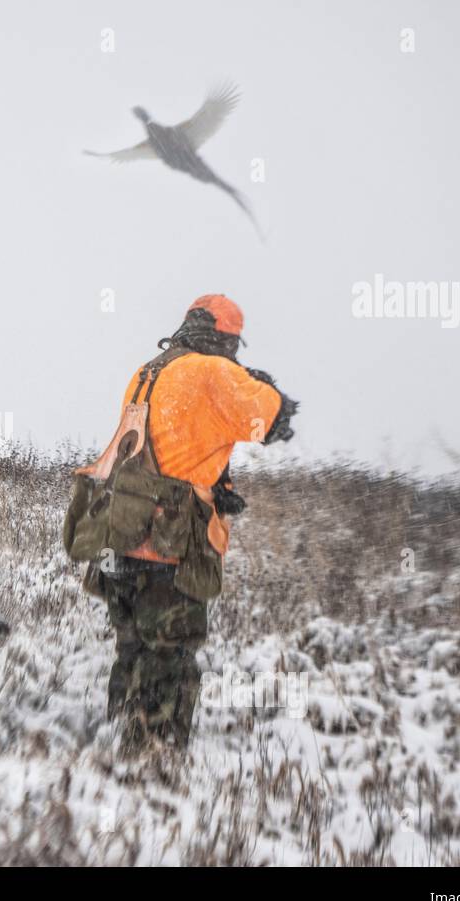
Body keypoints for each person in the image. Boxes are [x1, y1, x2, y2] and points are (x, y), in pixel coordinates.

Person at [62, 294, 298, 749]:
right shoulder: (212, 371)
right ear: (225, 339)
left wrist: (217, 482)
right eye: (234, 346)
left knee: (131, 647)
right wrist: (257, 382)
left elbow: (171, 444)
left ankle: (118, 739)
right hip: (163, 545)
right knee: (170, 653)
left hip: (120, 538)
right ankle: (155, 756)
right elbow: (272, 421)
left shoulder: (149, 370)